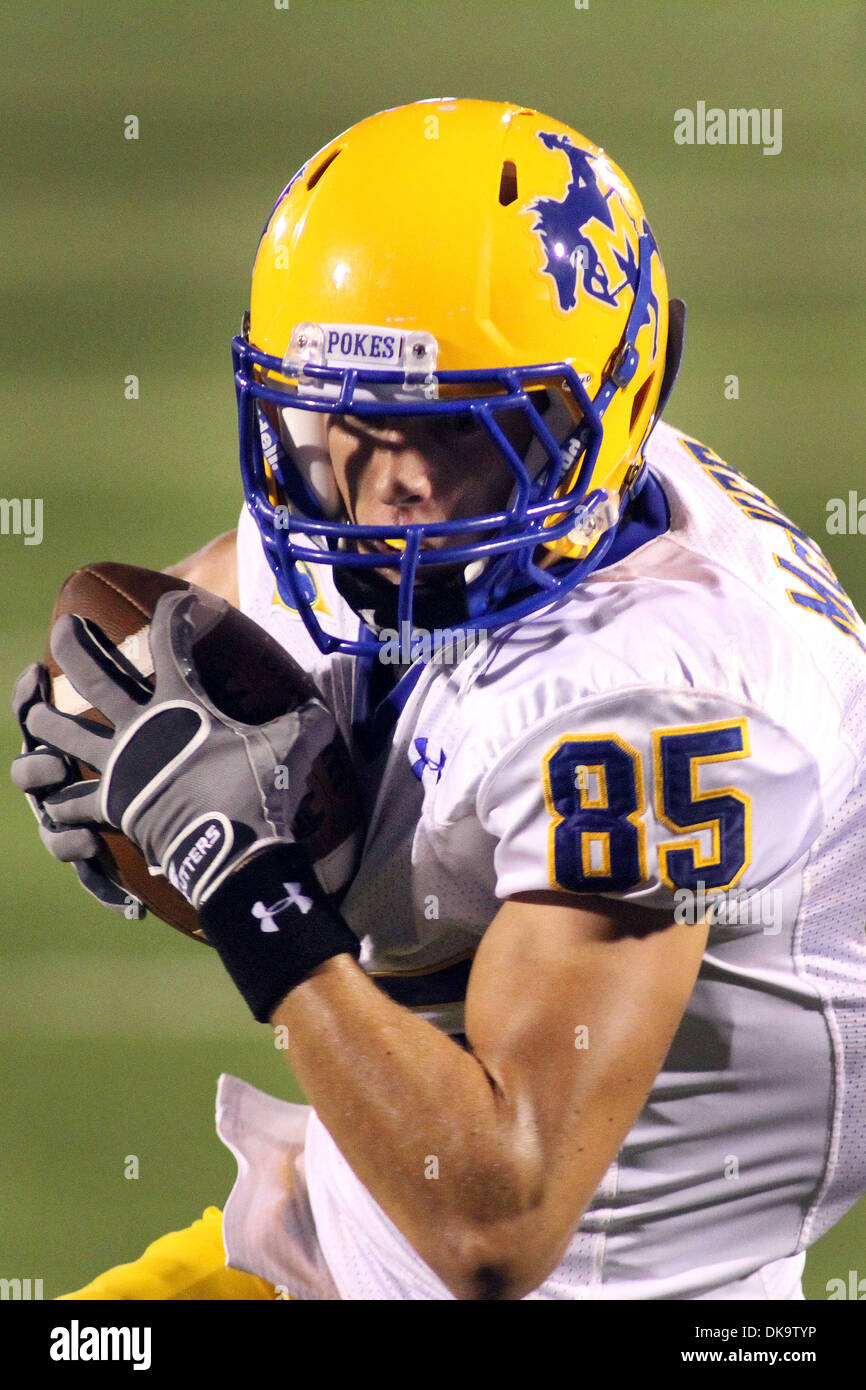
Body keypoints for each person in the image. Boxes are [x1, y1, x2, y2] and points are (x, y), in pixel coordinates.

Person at [11, 98, 866, 1301]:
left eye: (462, 432)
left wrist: (240, 875)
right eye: (349, 422)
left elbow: (495, 1223)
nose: (396, 489)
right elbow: (195, 608)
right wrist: (108, 728)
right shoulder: (514, 482)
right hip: (334, 1237)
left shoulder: (655, 705)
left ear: (599, 412)